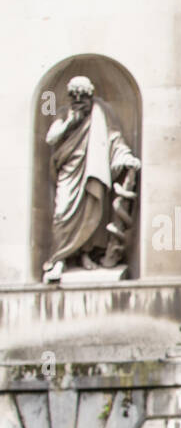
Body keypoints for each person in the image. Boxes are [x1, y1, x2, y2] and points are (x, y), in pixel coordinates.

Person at [44, 76, 140, 282]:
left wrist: (126, 158)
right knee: (62, 212)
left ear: (90, 96)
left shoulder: (101, 117)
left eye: (83, 95)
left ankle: (85, 253)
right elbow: (50, 138)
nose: (78, 99)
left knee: (91, 212)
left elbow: (115, 141)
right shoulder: (61, 113)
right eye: (74, 96)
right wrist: (70, 122)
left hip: (91, 172)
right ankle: (59, 258)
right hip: (69, 173)